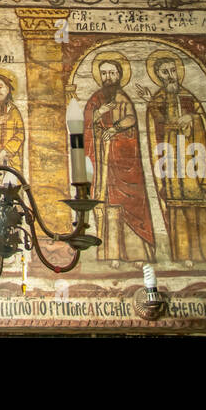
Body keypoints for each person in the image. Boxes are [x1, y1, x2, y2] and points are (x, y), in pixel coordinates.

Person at [142, 53, 206, 265]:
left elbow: (203, 123)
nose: (170, 76)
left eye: (172, 71)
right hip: (171, 160)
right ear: (159, 76)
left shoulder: (189, 97)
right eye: (165, 73)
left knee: (203, 201)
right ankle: (185, 255)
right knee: (178, 205)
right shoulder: (158, 100)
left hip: (194, 159)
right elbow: (158, 126)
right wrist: (151, 107)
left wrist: (192, 118)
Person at [86, 56, 153, 262]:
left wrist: (115, 129)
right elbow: (86, 123)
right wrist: (99, 113)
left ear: (119, 75)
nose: (108, 77)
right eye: (104, 73)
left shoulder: (123, 98)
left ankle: (138, 254)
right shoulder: (96, 100)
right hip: (103, 161)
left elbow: (131, 118)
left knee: (129, 203)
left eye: (112, 73)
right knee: (107, 204)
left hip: (124, 161)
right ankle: (110, 254)